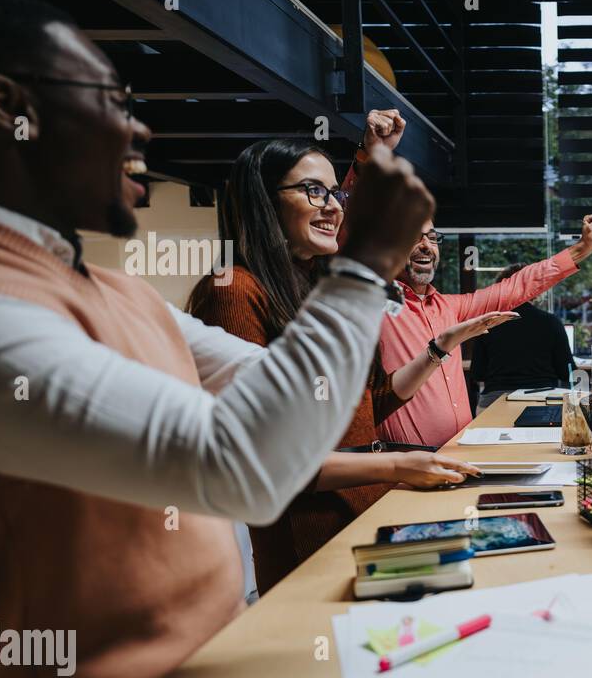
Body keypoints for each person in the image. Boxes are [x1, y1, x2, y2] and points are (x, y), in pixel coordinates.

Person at [0, 0, 435, 678]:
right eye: (111, 98)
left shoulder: (118, 291)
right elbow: (243, 465)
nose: (137, 126)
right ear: (10, 105)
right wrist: (362, 269)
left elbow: (298, 394)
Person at [187, 137, 513, 592]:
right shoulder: (234, 290)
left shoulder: (316, 290)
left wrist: (439, 348)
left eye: (335, 194)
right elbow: (262, 460)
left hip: (370, 515)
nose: (333, 208)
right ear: (262, 199)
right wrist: (395, 466)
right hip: (309, 537)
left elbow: (371, 404)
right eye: (312, 191)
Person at [338, 109, 592, 448]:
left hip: (462, 452)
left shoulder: (451, 307)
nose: (425, 246)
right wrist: (372, 154)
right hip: (404, 461)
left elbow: (519, 285)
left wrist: (581, 250)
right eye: (412, 236)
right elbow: (349, 229)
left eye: (433, 238)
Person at [469, 263, 577, 409]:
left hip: (495, 403)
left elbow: (478, 373)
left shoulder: (488, 323)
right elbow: (567, 373)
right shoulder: (550, 322)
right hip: (541, 401)